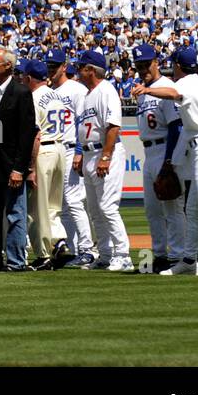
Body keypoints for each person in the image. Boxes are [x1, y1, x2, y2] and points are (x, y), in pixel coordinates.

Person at [134, 47, 198, 276]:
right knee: (192, 208)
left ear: (178, 66)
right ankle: (189, 261)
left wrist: (147, 90)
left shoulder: (188, 83)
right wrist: (173, 162)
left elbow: (171, 94)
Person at [72, 50, 132, 272]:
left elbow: (113, 126)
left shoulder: (106, 90)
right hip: (89, 153)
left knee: (107, 206)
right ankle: (106, 254)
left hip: (105, 152)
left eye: (81, 67)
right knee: (95, 210)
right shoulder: (89, 94)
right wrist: (80, 153)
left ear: (91, 70)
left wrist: (106, 156)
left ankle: (123, 254)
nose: (78, 71)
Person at [130, 45, 186, 273]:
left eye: (146, 64)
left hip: (165, 149)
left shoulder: (167, 87)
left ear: (156, 62)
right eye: (139, 66)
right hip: (149, 151)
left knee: (171, 207)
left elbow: (175, 126)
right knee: (152, 209)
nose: (143, 69)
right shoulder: (143, 91)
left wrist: (169, 162)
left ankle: (177, 255)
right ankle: (160, 254)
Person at [0, 47, 36, 271]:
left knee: (15, 214)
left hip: (12, 164)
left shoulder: (21, 92)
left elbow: (26, 134)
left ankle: (15, 261)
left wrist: (20, 169)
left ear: (8, 66)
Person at [45, 49, 95, 267]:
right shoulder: (50, 91)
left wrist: (79, 151)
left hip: (71, 148)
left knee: (74, 200)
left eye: (55, 66)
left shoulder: (76, 89)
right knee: (63, 204)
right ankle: (73, 250)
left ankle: (88, 248)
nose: (51, 70)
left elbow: (83, 122)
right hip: (56, 148)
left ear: (64, 67)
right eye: (49, 66)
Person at [21, 59, 70, 270]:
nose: (22, 79)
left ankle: (43, 255)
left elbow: (35, 135)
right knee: (52, 206)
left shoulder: (32, 97)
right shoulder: (56, 95)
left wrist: (30, 167)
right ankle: (58, 241)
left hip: (43, 150)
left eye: (24, 76)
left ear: (29, 78)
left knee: (36, 207)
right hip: (60, 148)